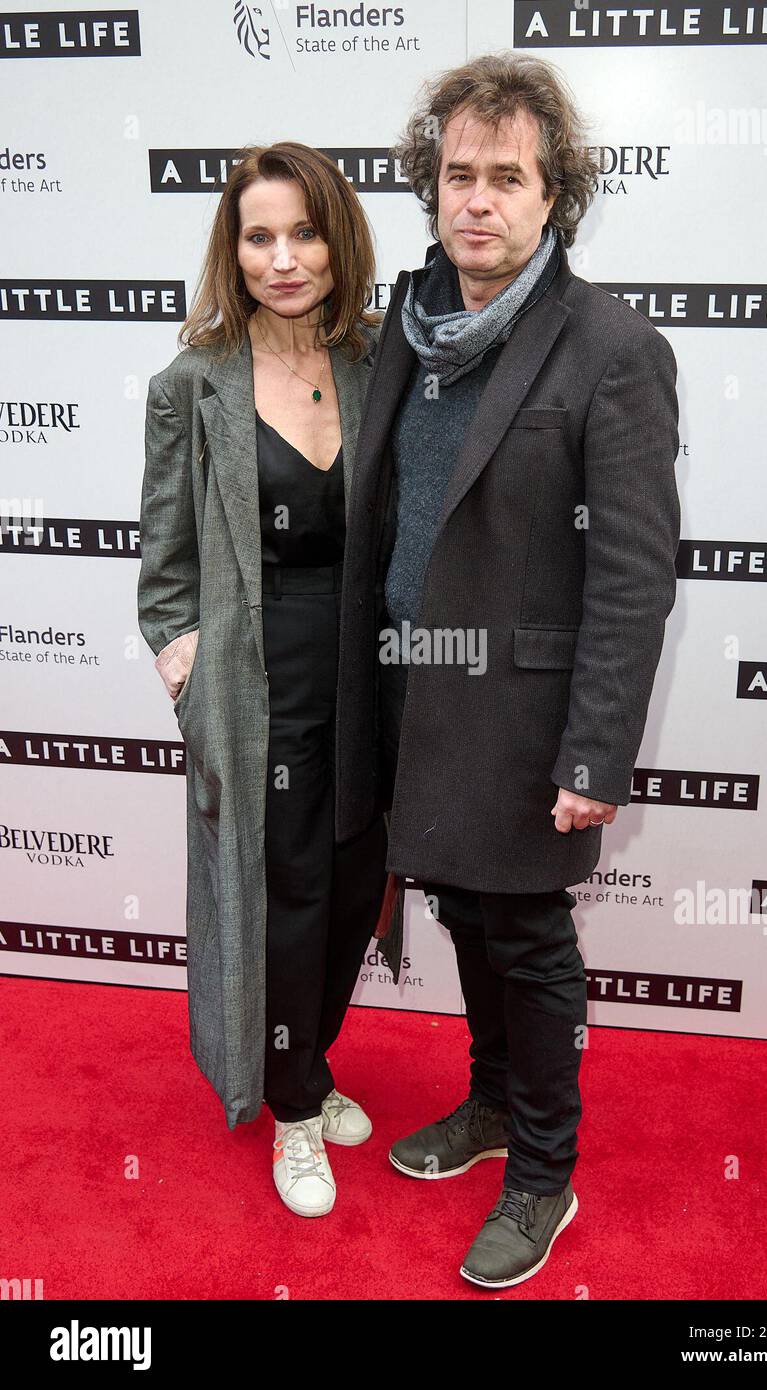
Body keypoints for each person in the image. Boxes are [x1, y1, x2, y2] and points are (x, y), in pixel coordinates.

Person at [337, 54, 681, 1286]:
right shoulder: (405, 324)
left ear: (554, 197)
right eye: (456, 176)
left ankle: (542, 1171)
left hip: (529, 717)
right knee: (462, 914)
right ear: (429, 189)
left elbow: (632, 573)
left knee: (525, 936)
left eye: (506, 178)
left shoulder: (610, 347)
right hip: (411, 690)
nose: (476, 200)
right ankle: (487, 1108)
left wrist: (595, 751)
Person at [137, 141, 393, 1219]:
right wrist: (179, 655)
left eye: (304, 233)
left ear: (338, 240)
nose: (283, 258)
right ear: (231, 250)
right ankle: (290, 1104)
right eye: (259, 237)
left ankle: (314, 1059)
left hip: (373, 673)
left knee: (351, 894)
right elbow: (166, 558)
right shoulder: (192, 383)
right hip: (259, 674)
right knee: (284, 893)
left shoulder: (387, 364)